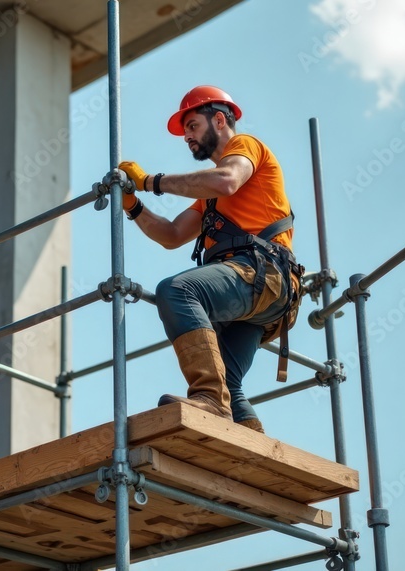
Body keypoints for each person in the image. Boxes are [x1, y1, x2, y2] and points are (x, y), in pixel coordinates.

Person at [118, 85, 303, 434]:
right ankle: (250, 443)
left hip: (263, 275)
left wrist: (149, 182)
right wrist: (133, 205)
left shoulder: (245, 147)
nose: (187, 136)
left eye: (192, 125)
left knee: (177, 291)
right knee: (230, 385)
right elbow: (172, 235)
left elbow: (228, 180)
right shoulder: (210, 201)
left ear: (219, 119)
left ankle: (208, 400)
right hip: (259, 292)